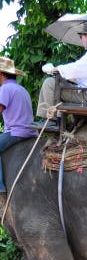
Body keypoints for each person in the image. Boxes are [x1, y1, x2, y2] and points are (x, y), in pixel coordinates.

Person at [0, 57, 37, 199]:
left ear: (2, 74)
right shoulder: (21, 89)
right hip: (30, 131)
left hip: (16, 132)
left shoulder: (4, 89)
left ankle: (0, 188)